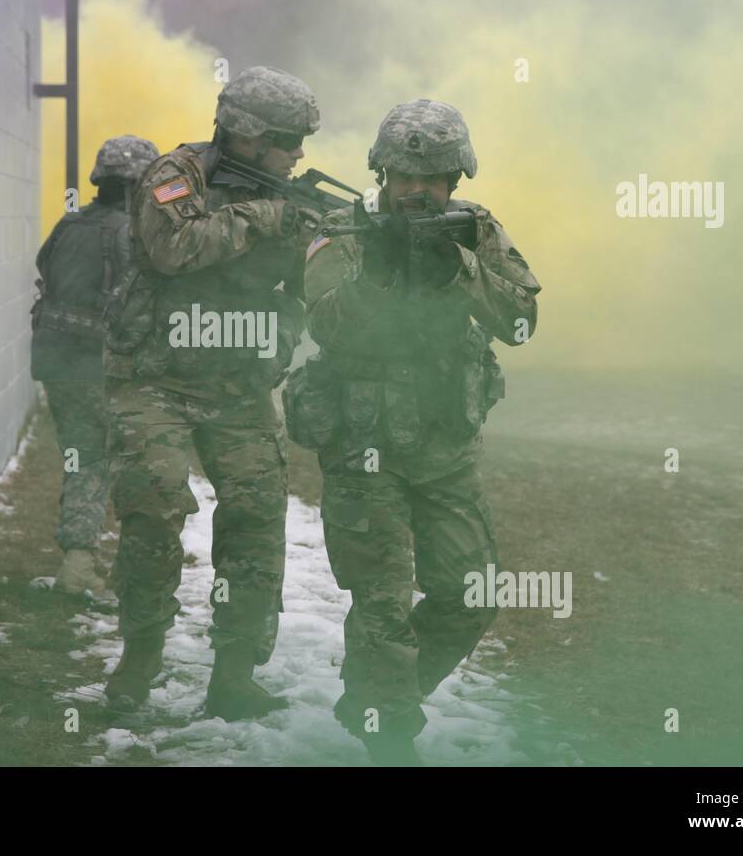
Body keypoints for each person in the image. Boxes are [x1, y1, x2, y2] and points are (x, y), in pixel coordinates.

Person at [290, 99, 542, 764]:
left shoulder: (472, 230)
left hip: (443, 449)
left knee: (473, 592)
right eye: (406, 178)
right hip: (361, 445)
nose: (419, 191)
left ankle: (375, 700)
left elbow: (520, 321)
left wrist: (457, 268)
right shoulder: (343, 229)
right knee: (383, 606)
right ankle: (390, 734)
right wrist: (378, 271)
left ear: (454, 181)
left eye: (432, 180)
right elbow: (327, 326)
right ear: (382, 173)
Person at [102, 67, 322, 718]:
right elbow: (174, 249)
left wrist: (283, 331)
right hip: (154, 378)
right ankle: (139, 659)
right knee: (153, 510)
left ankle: (234, 674)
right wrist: (269, 217)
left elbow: (307, 290)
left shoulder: (291, 197)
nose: (299, 154)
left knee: (257, 519)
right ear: (248, 136)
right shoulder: (175, 176)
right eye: (288, 139)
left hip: (237, 383)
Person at [31, 135, 159, 596]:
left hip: (56, 363)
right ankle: (130, 577)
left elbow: (45, 272)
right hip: (103, 368)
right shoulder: (132, 233)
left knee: (84, 459)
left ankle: (78, 563)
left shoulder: (68, 226)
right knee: (140, 469)